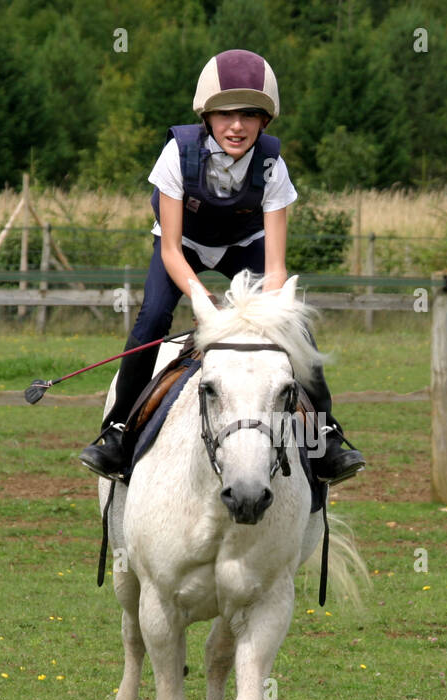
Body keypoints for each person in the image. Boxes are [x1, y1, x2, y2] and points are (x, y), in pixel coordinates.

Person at [79, 48, 365, 484]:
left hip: (243, 247)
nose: (237, 125)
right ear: (207, 117)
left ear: (264, 121)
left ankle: (322, 436)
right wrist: (202, 301)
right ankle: (117, 431)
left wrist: (273, 314)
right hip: (184, 248)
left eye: (250, 114)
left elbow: (275, 268)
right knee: (153, 317)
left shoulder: (272, 167)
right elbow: (171, 250)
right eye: (225, 114)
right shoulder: (176, 156)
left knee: (296, 326)